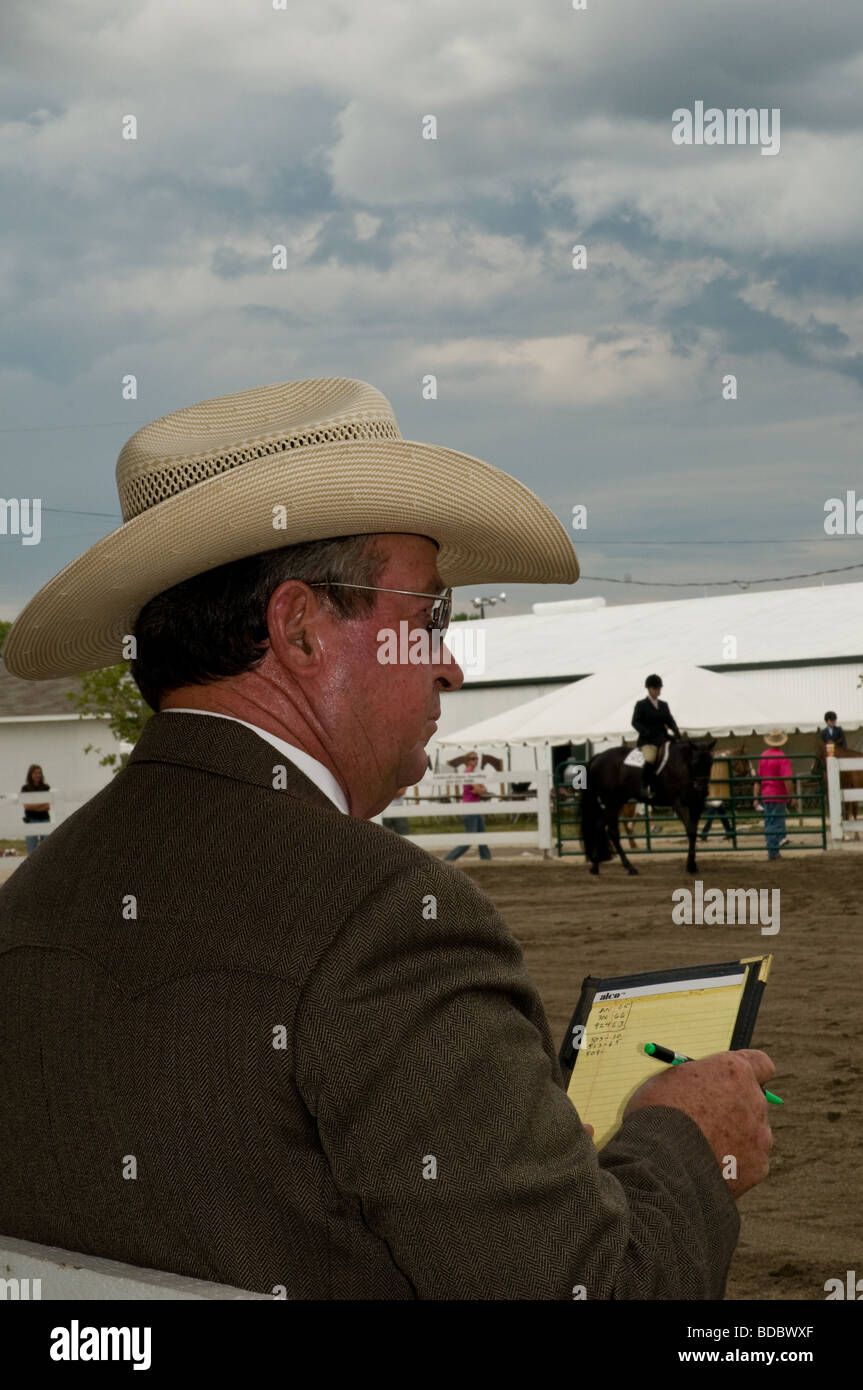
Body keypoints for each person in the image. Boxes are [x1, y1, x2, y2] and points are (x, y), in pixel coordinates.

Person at [0, 379, 774, 1300]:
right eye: (428, 617)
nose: (446, 661)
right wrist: (683, 1139)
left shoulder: (34, 899)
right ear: (298, 630)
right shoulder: (388, 921)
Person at [631, 674, 681, 800]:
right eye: (655, 688)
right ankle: (644, 785)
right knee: (650, 758)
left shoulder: (664, 705)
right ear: (649, 689)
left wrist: (676, 731)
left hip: (663, 738)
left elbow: (670, 720)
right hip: (647, 740)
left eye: (659, 688)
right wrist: (646, 732)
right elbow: (635, 722)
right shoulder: (641, 704)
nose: (658, 691)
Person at [444, 751, 492, 861]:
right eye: (473, 758)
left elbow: (483, 790)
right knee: (470, 839)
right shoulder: (467, 773)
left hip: (476, 807)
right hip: (469, 808)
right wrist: (479, 790)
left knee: (482, 836)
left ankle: (486, 859)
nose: (475, 761)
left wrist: (479, 790)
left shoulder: (475, 774)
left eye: (476, 758)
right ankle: (448, 859)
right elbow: (480, 791)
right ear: (467, 761)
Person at [754, 730, 793, 861]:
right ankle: (774, 850)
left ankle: (773, 848)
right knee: (777, 822)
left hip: (766, 793)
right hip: (778, 794)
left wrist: (756, 796)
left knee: (769, 822)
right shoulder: (782, 757)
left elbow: (758, 778)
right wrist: (791, 796)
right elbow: (787, 778)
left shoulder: (763, 755)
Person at [700, 750, 735, 841]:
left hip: (716, 790)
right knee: (720, 811)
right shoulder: (712, 763)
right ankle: (729, 831)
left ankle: (705, 832)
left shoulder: (716, 762)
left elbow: (724, 754)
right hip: (715, 789)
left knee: (713, 810)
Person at [21, 763, 51, 854]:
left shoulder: (46, 787)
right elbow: (26, 806)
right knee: (31, 849)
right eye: (35, 773)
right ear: (30, 775)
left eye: (39, 773)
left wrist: (33, 806)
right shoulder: (25, 788)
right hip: (31, 820)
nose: (38, 775)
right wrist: (40, 805)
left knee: (46, 848)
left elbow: (47, 806)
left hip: (45, 819)